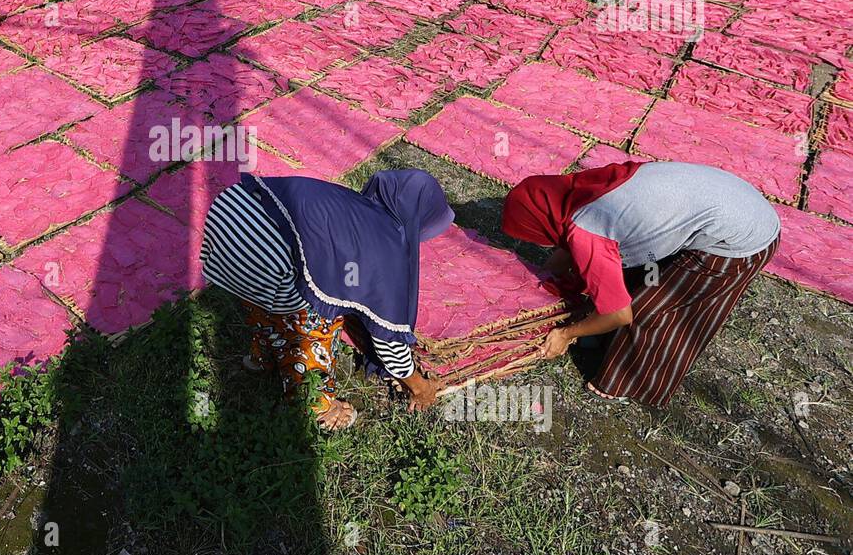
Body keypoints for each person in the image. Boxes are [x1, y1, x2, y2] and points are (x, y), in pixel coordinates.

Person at [501, 161, 781, 407]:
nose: (539, 242)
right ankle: (602, 336)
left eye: (533, 235)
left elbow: (619, 314)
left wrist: (565, 334)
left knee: (650, 309)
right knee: (641, 277)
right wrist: (541, 281)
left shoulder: (588, 233)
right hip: (735, 200)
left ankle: (628, 383)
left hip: (739, 242)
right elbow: (570, 241)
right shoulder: (583, 192)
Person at [201, 170, 454, 431]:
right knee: (321, 312)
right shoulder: (386, 248)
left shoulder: (353, 206)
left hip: (227, 217)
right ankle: (315, 405)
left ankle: (262, 358)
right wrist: (419, 386)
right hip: (261, 256)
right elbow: (388, 336)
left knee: (274, 292)